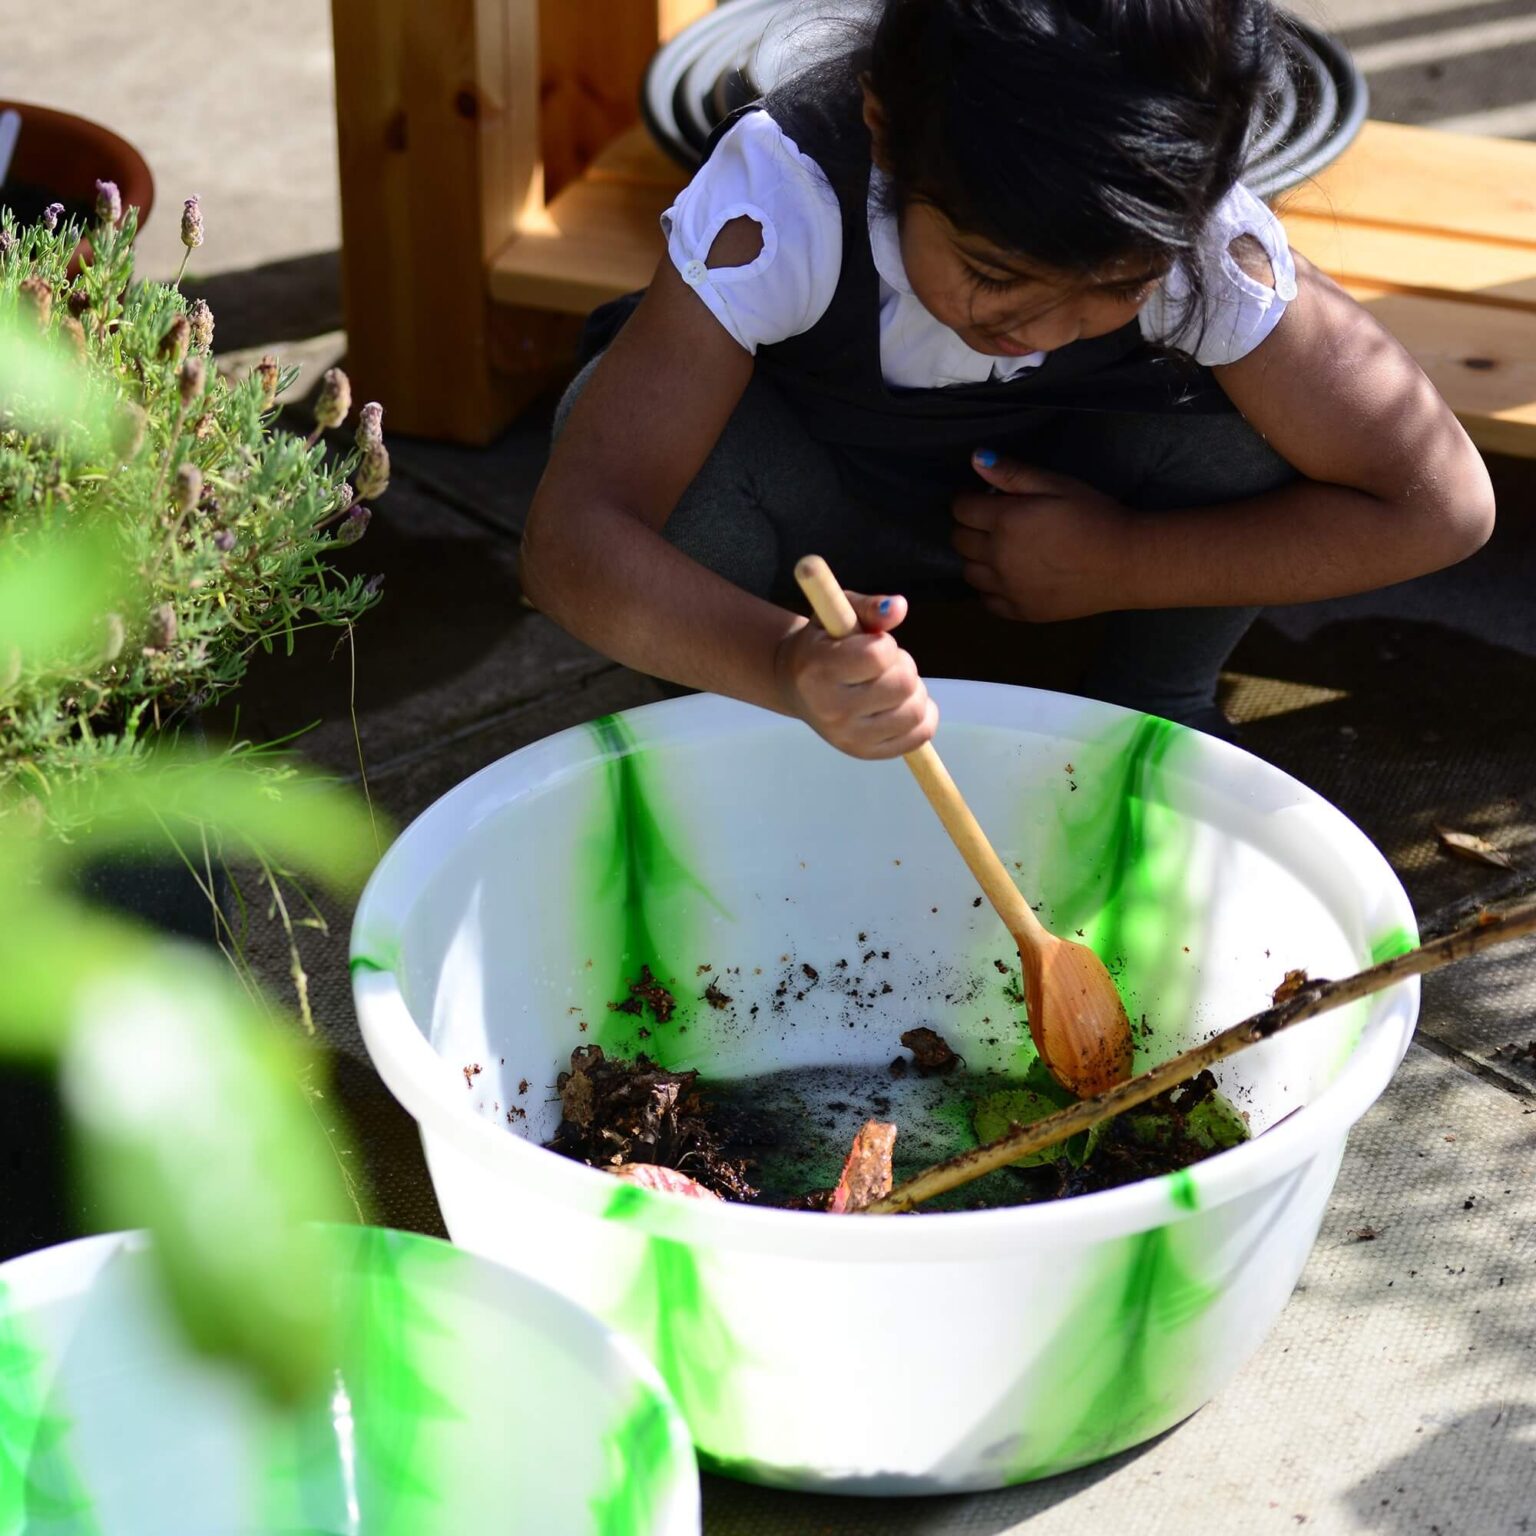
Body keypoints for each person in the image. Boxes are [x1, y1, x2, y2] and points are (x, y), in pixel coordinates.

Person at [521, 0, 1493, 754]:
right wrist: (778, 661)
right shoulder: (787, 199)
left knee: (1249, 423)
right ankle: (740, 733)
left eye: (1111, 287)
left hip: (1084, 539)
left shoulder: (1196, 242)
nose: (1038, 325)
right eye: (991, 273)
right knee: (665, 465)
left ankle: (1152, 711)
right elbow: (575, 538)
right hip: (813, 534)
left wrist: (1124, 564)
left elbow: (1439, 504)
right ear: (886, 129)